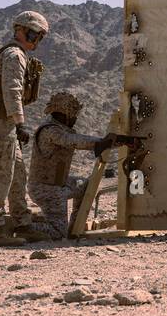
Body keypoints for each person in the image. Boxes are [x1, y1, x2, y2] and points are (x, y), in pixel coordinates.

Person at [0, 10, 48, 246]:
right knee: (1, 173)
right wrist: (19, 123)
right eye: (34, 33)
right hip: (1, 122)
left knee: (17, 174)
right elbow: (12, 90)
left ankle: (21, 223)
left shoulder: (15, 54)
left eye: (40, 36)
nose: (36, 39)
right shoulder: (14, 55)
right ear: (21, 30)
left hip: (5, 122)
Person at [26, 92, 122, 239]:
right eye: (73, 114)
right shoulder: (49, 131)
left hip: (59, 184)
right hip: (45, 188)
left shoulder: (59, 129)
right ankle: (21, 226)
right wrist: (104, 142)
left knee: (84, 185)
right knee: (58, 232)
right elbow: (74, 141)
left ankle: (74, 228)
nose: (75, 119)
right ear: (65, 114)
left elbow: (76, 138)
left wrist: (115, 142)